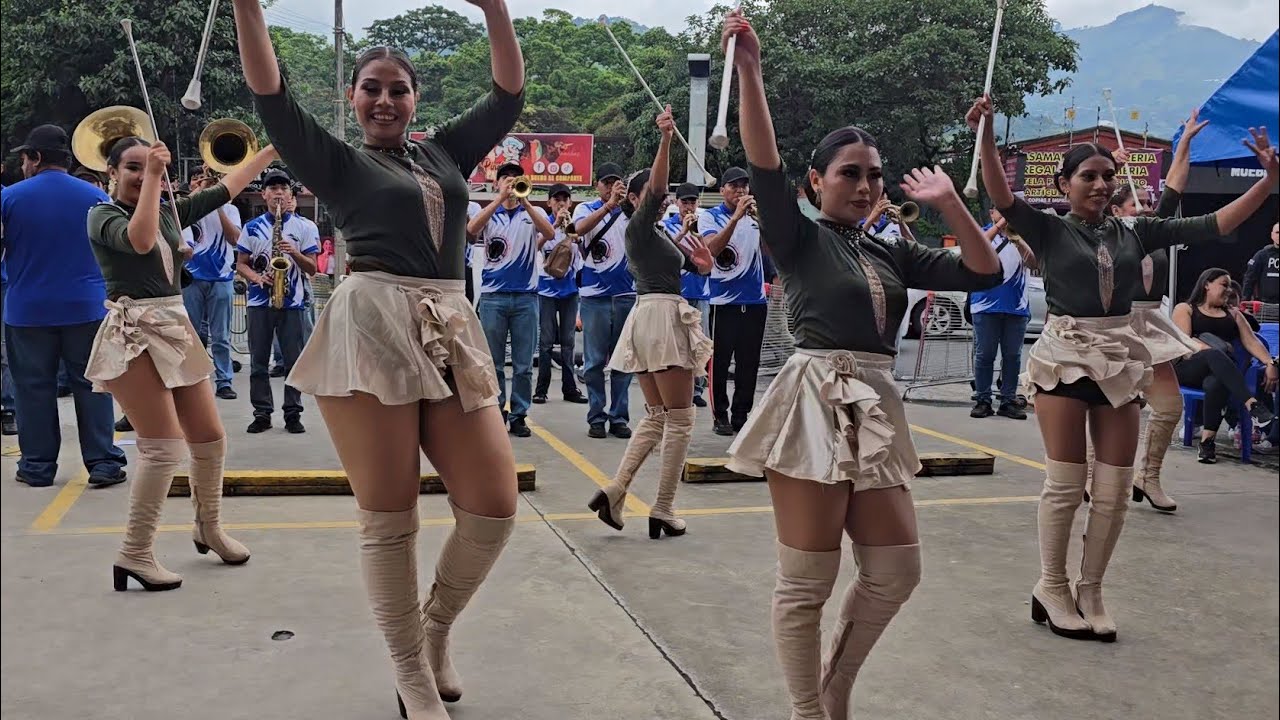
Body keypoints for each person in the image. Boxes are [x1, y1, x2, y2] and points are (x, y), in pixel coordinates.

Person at [233, 0, 524, 716]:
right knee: (390, 517)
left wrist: (493, 9)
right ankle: (411, 676)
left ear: (415, 99)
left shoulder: (445, 152)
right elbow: (268, 91)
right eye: (372, 89)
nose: (385, 100)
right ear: (352, 98)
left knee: (493, 505)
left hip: (449, 324)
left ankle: (434, 630)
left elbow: (508, 93)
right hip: (372, 322)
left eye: (398, 89)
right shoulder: (333, 158)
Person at [721, 13, 1001, 720]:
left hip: (875, 404)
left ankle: (835, 685)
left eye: (875, 175)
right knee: (807, 582)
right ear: (816, 180)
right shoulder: (795, 233)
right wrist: (752, 72)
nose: (867, 186)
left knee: (895, 570)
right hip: (815, 401)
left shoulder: (890, 248)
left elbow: (984, 269)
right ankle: (807, 709)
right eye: (851, 174)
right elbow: (763, 161)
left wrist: (950, 205)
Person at [972, 94, 1277, 644]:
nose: (1100, 183)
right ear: (1064, 184)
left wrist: (1267, 181)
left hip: (1121, 356)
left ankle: (1092, 589)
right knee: (1065, 486)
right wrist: (988, 131)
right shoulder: (1047, 229)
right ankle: (1052, 586)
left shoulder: (1138, 232)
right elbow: (998, 192)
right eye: (1088, 175)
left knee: (1112, 491)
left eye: (1108, 175)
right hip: (1066, 357)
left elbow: (1216, 222)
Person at [85, 135, 277, 591]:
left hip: (174, 325)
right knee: (162, 448)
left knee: (209, 439)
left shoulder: (170, 206)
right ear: (111, 173)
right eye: (130, 167)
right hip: (132, 333)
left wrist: (270, 152)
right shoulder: (101, 214)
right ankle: (134, 553)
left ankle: (207, 527)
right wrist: (154, 176)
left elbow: (225, 190)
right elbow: (140, 239)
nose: (141, 174)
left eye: (147, 167)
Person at [587, 106, 714, 539]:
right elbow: (658, 186)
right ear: (638, 199)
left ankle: (616, 488)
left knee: (658, 415)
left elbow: (692, 267)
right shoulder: (639, 224)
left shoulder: (658, 233)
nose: (662, 199)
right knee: (679, 418)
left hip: (649, 316)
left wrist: (699, 265)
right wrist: (664, 138)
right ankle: (662, 508)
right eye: (654, 197)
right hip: (659, 316)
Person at [2, 124, 127, 487]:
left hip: (28, 311)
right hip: (87, 308)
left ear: (36, 158)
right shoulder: (95, 197)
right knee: (94, 386)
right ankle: (103, 463)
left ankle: (38, 466)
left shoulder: (10, 197)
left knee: (33, 388)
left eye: (25, 158)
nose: (23, 165)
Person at [1094, 113, 1204, 512]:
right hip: (1114, 326)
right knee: (1104, 404)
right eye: (1133, 201)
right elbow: (1097, 199)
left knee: (1170, 406)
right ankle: (1092, 476)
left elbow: (1174, 186)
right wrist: (1114, 165)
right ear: (1117, 209)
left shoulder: (1153, 229)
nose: (1142, 206)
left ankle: (1149, 475)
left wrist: (1186, 142)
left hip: (1150, 324)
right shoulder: (1105, 232)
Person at [468, 162, 555, 437]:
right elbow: (471, 230)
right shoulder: (490, 213)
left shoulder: (535, 212)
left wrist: (525, 202)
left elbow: (550, 234)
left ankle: (519, 414)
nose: (510, 184)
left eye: (515, 180)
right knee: (493, 362)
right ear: (497, 183)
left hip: (526, 297)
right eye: (505, 179)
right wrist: (499, 199)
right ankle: (495, 411)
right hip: (493, 297)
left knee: (523, 364)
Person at [236, 170, 318, 434]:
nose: (278, 193)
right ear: (264, 194)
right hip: (259, 302)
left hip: (292, 303)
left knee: (293, 362)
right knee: (258, 362)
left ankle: (293, 413)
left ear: (291, 194)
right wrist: (257, 278)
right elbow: (241, 264)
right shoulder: (251, 227)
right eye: (272, 189)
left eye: (283, 188)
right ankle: (262, 413)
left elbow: (313, 269)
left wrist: (293, 252)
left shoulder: (306, 227)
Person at [1172, 268, 1277, 463]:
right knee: (1214, 355)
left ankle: (1207, 444)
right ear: (1206, 284)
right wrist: (1208, 349)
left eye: (1230, 286)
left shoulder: (1233, 314)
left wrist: (1270, 362)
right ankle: (1252, 404)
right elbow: (1184, 343)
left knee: (1215, 382)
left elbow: (1252, 342)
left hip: (1220, 371)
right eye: (1224, 285)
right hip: (1189, 367)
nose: (1229, 290)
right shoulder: (1185, 309)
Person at [699, 165, 768, 436]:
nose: (740, 191)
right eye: (734, 186)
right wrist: (736, 218)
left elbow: (771, 249)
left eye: (744, 186)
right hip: (721, 301)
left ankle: (742, 414)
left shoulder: (754, 217)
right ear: (722, 191)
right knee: (719, 362)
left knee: (749, 362)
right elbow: (711, 249)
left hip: (754, 301)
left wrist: (765, 222)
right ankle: (720, 416)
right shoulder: (709, 217)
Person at [572, 162, 636, 439]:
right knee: (594, 362)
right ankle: (596, 416)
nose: (611, 187)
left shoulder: (629, 211)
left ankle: (619, 416)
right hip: (594, 296)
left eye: (616, 182)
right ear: (597, 185)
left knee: (623, 360)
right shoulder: (586, 208)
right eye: (606, 182)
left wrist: (627, 203)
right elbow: (578, 229)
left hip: (625, 295)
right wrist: (609, 205)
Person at [181, 170, 242, 400]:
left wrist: (216, 204)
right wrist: (201, 192)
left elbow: (235, 238)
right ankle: (193, 380)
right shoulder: (186, 206)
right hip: (193, 278)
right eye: (197, 179)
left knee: (221, 336)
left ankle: (224, 381)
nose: (203, 183)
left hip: (221, 279)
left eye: (205, 179)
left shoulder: (230, 209)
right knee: (191, 336)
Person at [969, 208, 1032, 420]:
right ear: (991, 213)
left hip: (1017, 307)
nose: (1006, 215)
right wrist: (999, 226)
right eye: (1000, 211)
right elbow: (977, 247)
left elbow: (1035, 262)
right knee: (985, 354)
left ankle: (1008, 400)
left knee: (1012, 357)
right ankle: (983, 399)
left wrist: (1018, 239)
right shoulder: (984, 232)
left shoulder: (1023, 235)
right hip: (985, 306)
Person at [533, 182, 587, 405]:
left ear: (570, 202)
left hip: (569, 291)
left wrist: (574, 236)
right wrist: (553, 226)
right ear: (549, 203)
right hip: (545, 290)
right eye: (557, 199)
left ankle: (569, 387)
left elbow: (583, 255)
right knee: (545, 342)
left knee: (568, 342)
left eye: (565, 199)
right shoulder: (542, 224)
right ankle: (541, 389)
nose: (561, 203)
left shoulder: (575, 226)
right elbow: (534, 247)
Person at [665, 182, 713, 407]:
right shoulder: (667, 225)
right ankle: (677, 387)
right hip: (677, 294)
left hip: (701, 293)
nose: (689, 207)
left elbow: (710, 257)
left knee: (700, 344)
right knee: (677, 343)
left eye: (692, 202)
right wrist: (684, 231)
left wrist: (697, 233)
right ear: (677, 202)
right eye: (685, 202)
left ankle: (697, 389)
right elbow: (665, 252)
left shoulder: (705, 225)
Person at [1242, 221, 1279, 305]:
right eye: (1277, 232)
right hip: (1265, 305)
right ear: (1272, 235)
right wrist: (1244, 300)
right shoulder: (1262, 255)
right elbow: (1249, 278)